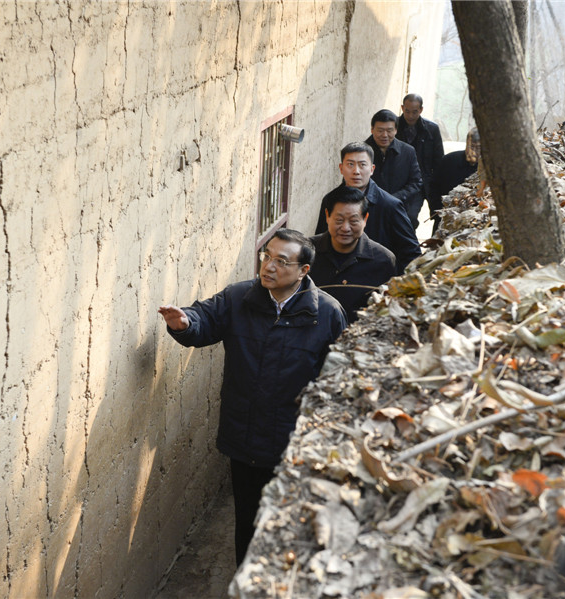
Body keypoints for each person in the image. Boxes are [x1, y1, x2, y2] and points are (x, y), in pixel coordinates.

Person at [158, 229, 347, 565]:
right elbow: (205, 318)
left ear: (304, 271)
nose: (269, 267)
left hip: (294, 444)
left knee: (288, 523)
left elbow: (338, 382)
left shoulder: (327, 314)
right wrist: (184, 323)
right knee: (247, 519)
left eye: (281, 261)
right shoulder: (239, 298)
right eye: (267, 256)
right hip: (244, 437)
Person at [315, 142, 421, 272]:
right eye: (350, 164)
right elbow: (320, 243)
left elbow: (411, 252)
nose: (356, 171)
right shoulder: (330, 200)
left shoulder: (390, 205)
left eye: (362, 165)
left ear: (372, 169)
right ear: (341, 168)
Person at [310, 187, 397, 323]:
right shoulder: (308, 251)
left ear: (365, 219)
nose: (345, 228)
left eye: (353, 221)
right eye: (339, 220)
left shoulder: (383, 260)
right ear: (327, 216)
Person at [365, 109, 423, 226]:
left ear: (396, 130)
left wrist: (393, 199)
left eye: (389, 130)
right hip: (369, 209)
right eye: (380, 130)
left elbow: (416, 183)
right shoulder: (362, 152)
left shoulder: (408, 152)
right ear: (372, 130)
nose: (385, 135)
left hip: (399, 207)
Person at [396, 93, 445, 228]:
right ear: (402, 108)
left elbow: (439, 159)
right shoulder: (393, 126)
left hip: (420, 182)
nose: (410, 116)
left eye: (415, 112)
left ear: (421, 110)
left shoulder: (431, 129)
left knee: (411, 216)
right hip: (397, 181)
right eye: (407, 111)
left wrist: (436, 184)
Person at [431, 127, 482, 233]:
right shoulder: (448, 161)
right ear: (466, 144)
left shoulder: (489, 168)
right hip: (445, 216)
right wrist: (437, 211)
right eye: (471, 146)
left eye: (479, 148)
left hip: (474, 222)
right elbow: (433, 187)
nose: (474, 152)